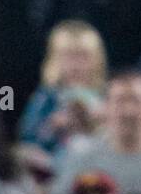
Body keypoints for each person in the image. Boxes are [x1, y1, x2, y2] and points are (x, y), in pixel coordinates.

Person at [18, 20, 107, 154]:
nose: (76, 65)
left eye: (83, 56)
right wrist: (52, 126)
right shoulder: (46, 97)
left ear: (97, 59)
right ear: (55, 60)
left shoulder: (107, 95)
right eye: (69, 56)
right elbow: (27, 137)